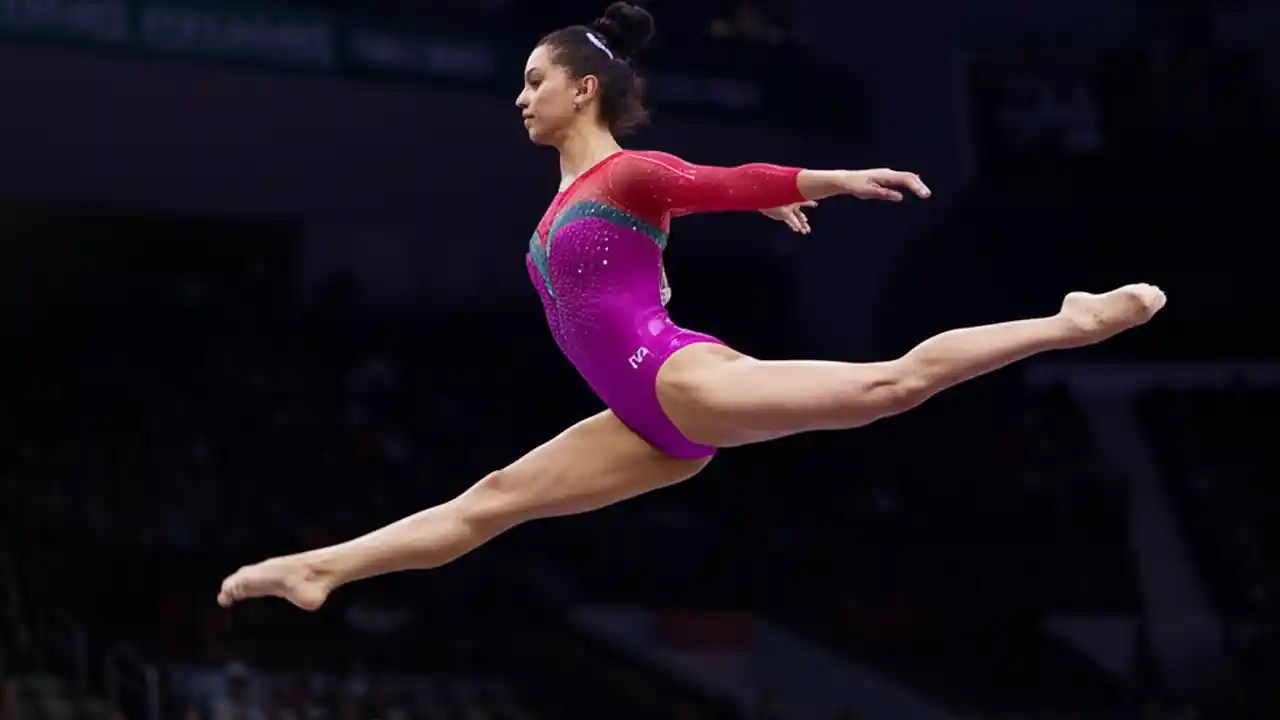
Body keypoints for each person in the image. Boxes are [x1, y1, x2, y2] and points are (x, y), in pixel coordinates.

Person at [217, 2, 1165, 611]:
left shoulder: (628, 173)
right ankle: (321, 568)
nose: (520, 98)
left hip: (673, 378)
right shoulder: (564, 200)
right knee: (488, 506)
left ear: (584, 89)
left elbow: (714, 176)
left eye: (534, 81)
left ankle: (1067, 320)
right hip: (642, 414)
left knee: (889, 384)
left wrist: (822, 179)